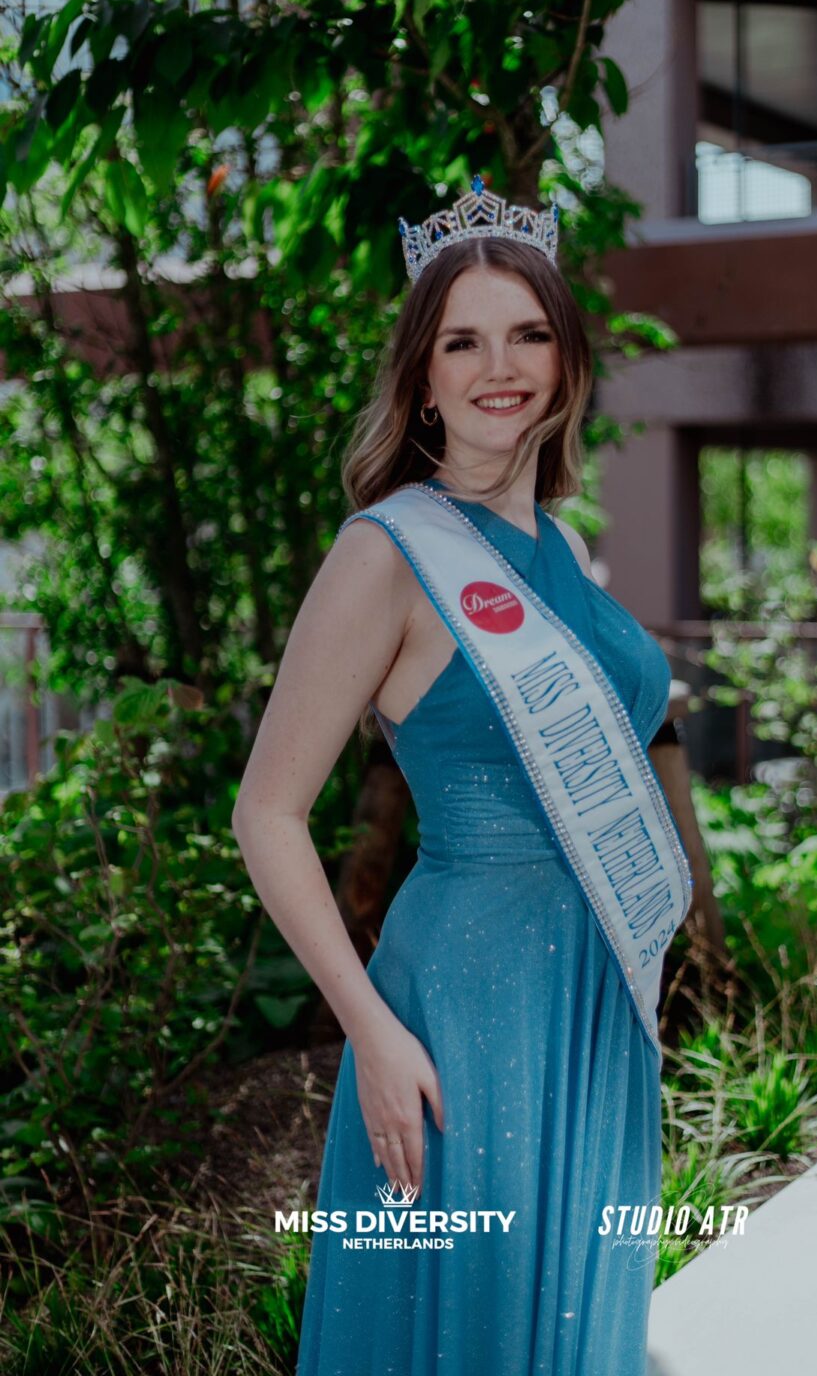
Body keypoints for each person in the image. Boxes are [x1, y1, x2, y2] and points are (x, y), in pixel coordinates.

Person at [231, 174, 692, 1375]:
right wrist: (369, 1030)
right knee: (476, 1316)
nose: (503, 365)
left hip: (592, 990)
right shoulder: (385, 552)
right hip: (462, 1005)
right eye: (464, 339)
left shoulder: (563, 541)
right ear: (422, 375)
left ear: (565, 358)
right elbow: (268, 812)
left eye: (529, 332)